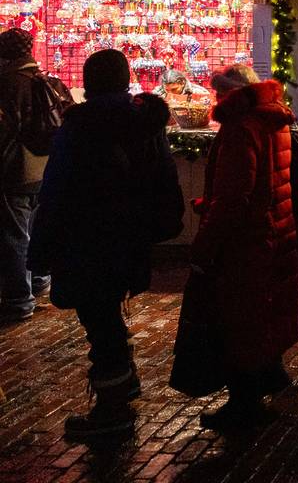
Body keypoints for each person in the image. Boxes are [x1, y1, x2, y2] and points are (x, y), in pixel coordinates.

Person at [28, 49, 183, 440]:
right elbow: (164, 178)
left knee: (100, 322)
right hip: (129, 236)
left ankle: (112, 410)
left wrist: (41, 247)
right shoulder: (146, 123)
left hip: (86, 238)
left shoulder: (79, 127)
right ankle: (123, 384)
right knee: (108, 311)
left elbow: (57, 190)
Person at [188, 64, 298, 431]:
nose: (216, 101)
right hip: (276, 230)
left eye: (219, 94)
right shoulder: (274, 119)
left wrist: (205, 243)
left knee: (240, 319)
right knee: (266, 309)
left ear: (231, 95)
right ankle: (272, 375)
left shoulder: (240, 129)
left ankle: (244, 403)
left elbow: (235, 196)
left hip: (247, 241)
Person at [0, 28, 71, 323]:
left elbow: (5, 131)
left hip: (16, 170)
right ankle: (40, 279)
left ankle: (18, 299)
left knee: (13, 235)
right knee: (34, 227)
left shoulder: (6, 84)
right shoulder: (48, 81)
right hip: (45, 168)